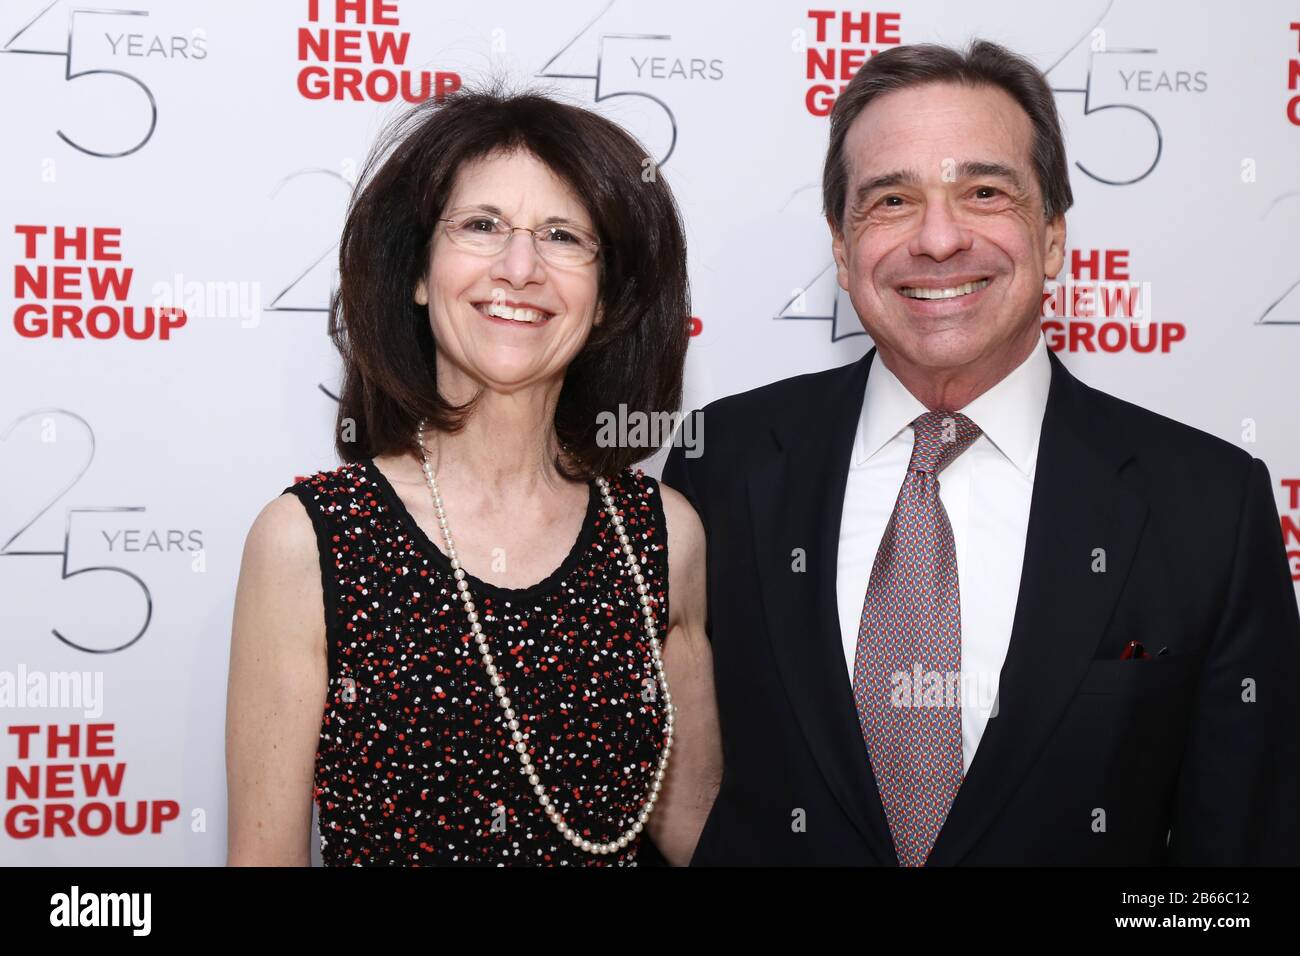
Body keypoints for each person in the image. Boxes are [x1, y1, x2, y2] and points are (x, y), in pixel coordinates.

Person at [663, 40, 1300, 865]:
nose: (937, 239)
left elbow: (1241, 863)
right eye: (891, 200)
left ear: (1055, 236)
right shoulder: (722, 464)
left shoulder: (1208, 503)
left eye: (985, 191)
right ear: (841, 246)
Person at [226, 84, 721, 866]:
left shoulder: (662, 535)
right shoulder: (309, 542)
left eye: (563, 235)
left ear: (605, 302)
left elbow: (700, 832)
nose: (519, 267)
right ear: (418, 275)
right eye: (482, 226)